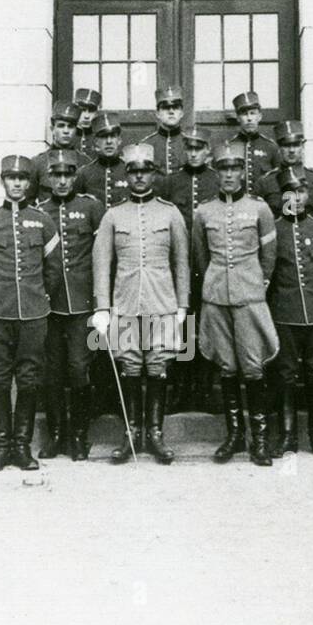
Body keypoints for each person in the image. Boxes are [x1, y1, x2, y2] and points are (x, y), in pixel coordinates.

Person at [90, 143, 190, 464]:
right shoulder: (112, 215)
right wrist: (102, 308)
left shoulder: (170, 213)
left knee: (159, 365)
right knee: (130, 365)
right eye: (133, 172)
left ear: (154, 174)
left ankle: (156, 435)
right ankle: (132, 432)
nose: (139, 177)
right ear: (127, 176)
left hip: (163, 302)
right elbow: (102, 264)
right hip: (125, 303)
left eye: (145, 171)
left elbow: (182, 263)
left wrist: (182, 307)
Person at [0, 155, 61, 471]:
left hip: (33, 314)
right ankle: (1, 446)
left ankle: (22, 447)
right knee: (1, 380)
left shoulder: (43, 221)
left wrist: (41, 299)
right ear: (2, 181)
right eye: (11, 178)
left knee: (29, 380)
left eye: (22, 178)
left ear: (29, 183)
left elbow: (54, 269)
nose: (17, 183)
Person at [192, 143, 279, 466]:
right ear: (216, 172)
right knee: (226, 366)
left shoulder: (259, 209)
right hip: (216, 296)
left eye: (235, 169)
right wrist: (213, 284)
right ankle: (235, 436)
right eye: (223, 169)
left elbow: (269, 256)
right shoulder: (204, 211)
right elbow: (200, 255)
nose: (229, 175)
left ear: (243, 172)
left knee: (253, 366)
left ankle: (259, 439)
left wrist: (258, 283)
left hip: (249, 295)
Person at [39, 150, 105, 461]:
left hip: (83, 303)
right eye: (57, 175)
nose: (63, 181)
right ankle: (55, 435)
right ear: (49, 178)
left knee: (80, 368)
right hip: (50, 306)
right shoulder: (39, 211)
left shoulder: (91, 207)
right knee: (52, 371)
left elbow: (103, 255)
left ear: (75, 176)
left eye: (68, 175)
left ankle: (79, 435)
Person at [267, 171, 313, 458]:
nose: (295, 199)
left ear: (308, 196)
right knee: (285, 374)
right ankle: (287, 436)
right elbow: (269, 272)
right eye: (289, 194)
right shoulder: (273, 231)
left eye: (300, 193)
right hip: (285, 313)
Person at [158, 123, 219, 412]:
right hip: (178, 266)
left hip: (211, 264)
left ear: (208, 152)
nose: (193, 153)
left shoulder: (218, 180)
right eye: (190, 148)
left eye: (199, 148)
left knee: (208, 325)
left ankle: (205, 389)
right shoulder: (170, 182)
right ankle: (181, 388)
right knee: (182, 327)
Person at [256, 120, 313, 219]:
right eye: (286, 145)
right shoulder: (265, 182)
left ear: (302, 146)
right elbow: (254, 218)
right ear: (279, 148)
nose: (291, 150)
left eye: (296, 145)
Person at [222, 91, 281, 189]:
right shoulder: (228, 147)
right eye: (244, 114)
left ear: (259, 117)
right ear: (237, 118)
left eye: (252, 113)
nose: (249, 118)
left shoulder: (271, 147)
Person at [32, 101, 89, 199]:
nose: (66, 131)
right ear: (52, 129)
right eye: (61, 126)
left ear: (76, 130)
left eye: (70, 126)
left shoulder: (86, 162)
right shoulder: (37, 163)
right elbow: (28, 206)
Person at [78, 112, 130, 208]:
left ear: (119, 140)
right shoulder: (84, 173)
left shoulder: (130, 170)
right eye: (104, 136)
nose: (109, 141)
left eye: (113, 136)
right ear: (96, 142)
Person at [139, 85, 188, 176]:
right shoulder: (146, 145)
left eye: (176, 107)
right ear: (157, 113)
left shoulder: (190, 143)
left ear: (182, 113)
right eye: (166, 107)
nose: (171, 111)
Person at [72, 88, 101, 162]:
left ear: (96, 113)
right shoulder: (67, 136)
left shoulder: (101, 139)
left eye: (91, 111)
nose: (86, 116)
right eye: (82, 110)